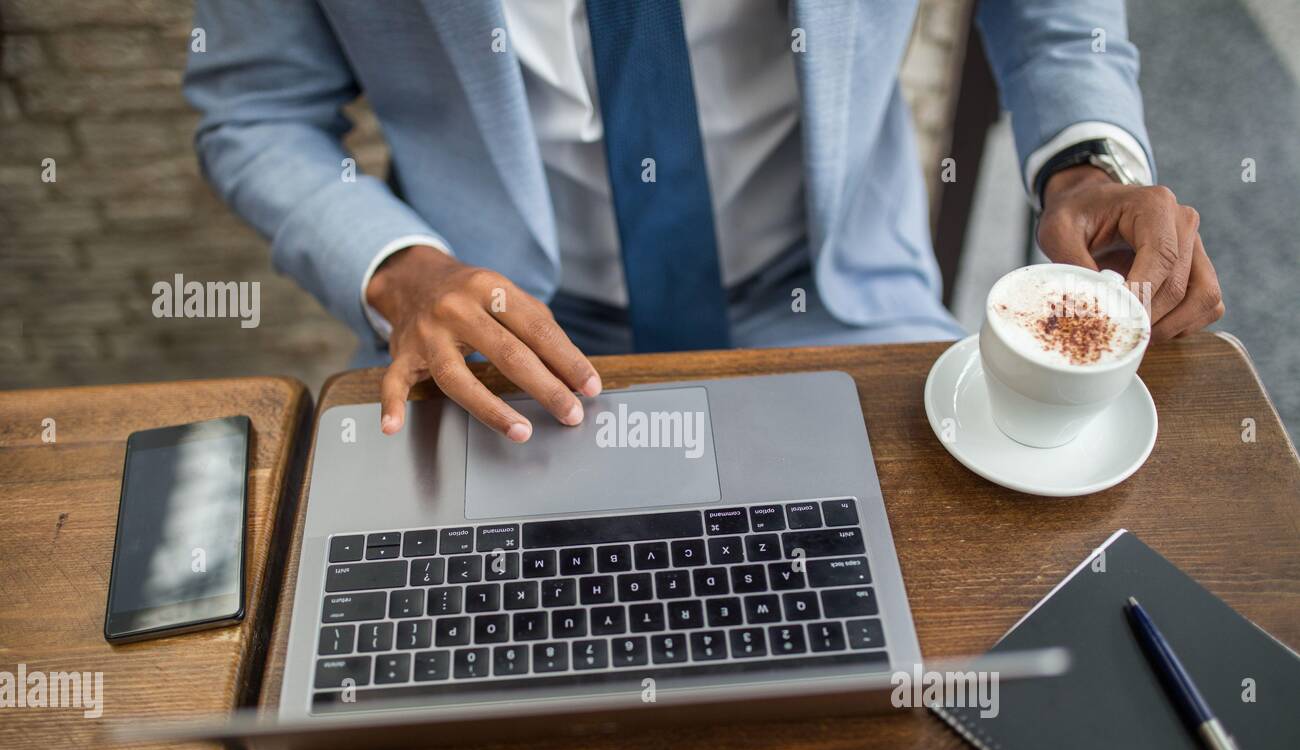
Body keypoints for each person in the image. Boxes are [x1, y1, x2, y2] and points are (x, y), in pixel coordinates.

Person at [185, 0, 1222, 442]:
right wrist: (399, 269)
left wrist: (1084, 163)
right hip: (500, 329)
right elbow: (256, 108)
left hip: (838, 293)